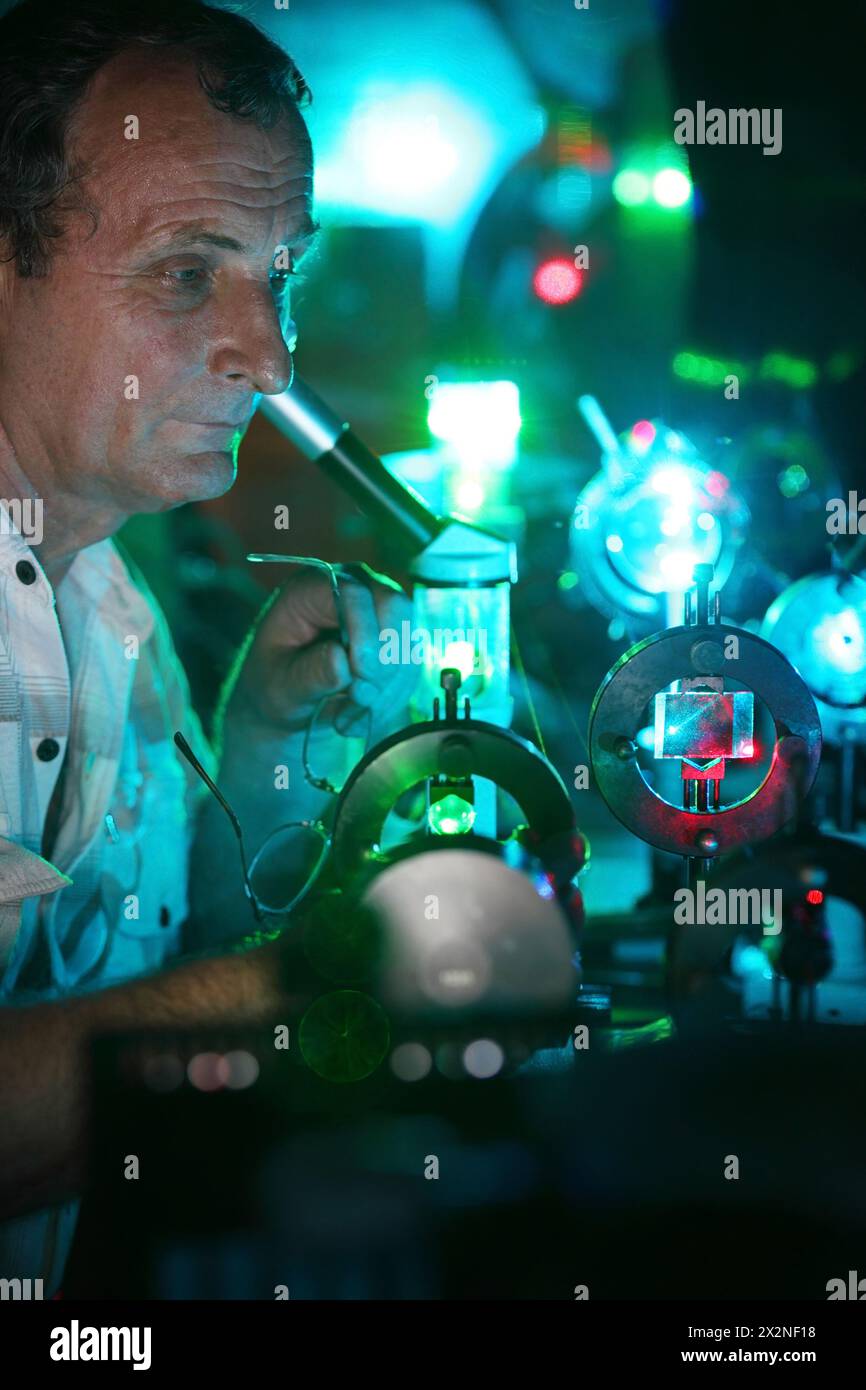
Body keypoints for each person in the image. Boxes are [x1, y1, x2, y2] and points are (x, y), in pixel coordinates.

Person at [0, 0, 415, 1294]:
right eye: (189, 274)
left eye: (278, 275)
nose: (271, 357)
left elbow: (158, 974)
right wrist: (332, 982)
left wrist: (256, 750)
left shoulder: (110, 597)